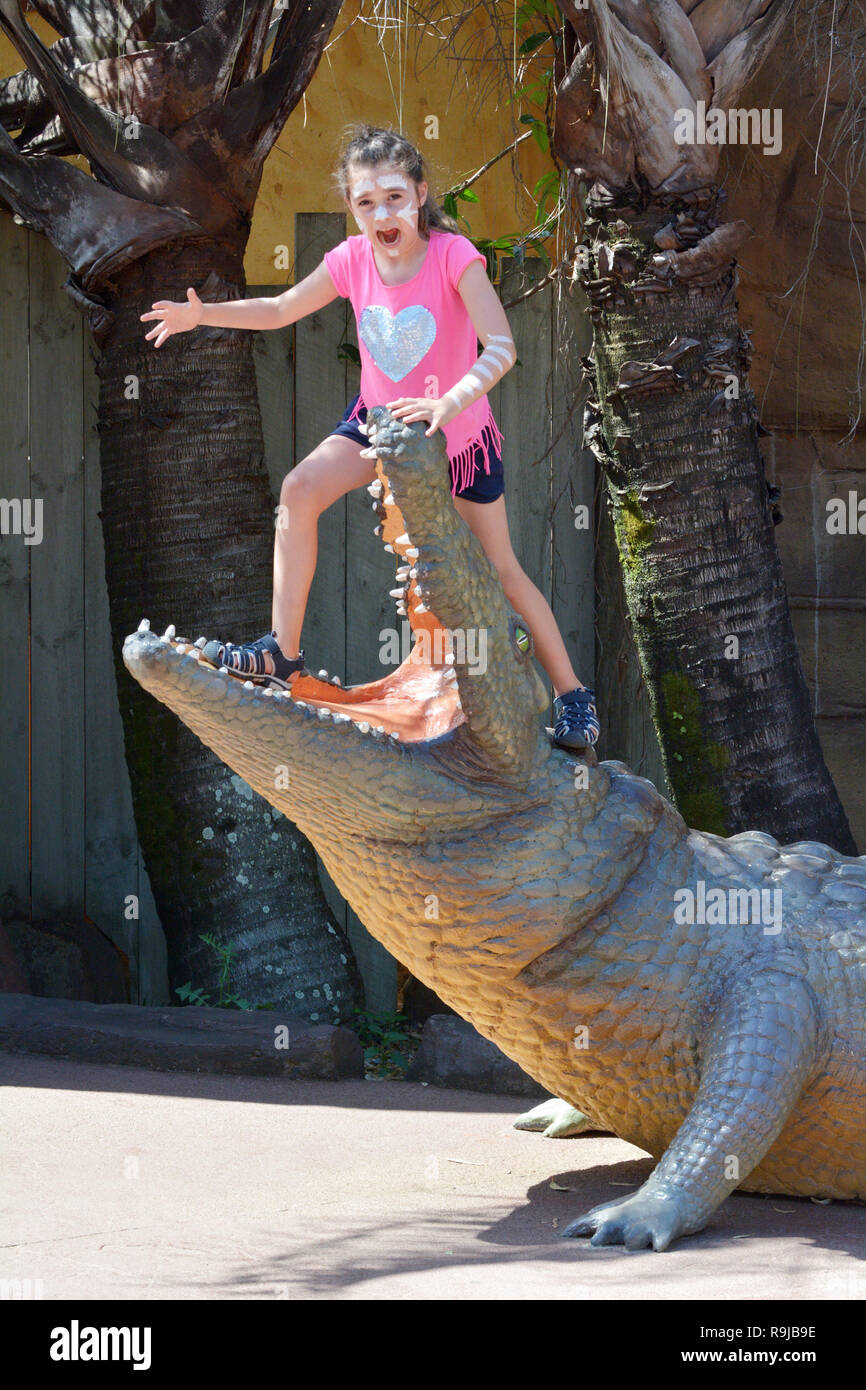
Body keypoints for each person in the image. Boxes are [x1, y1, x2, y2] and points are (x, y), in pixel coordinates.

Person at [140, 123, 599, 751]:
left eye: (393, 197)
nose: (381, 212)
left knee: (502, 568)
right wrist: (201, 314)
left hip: (459, 437)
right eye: (365, 202)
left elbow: (503, 347)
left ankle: (575, 697)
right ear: (352, 209)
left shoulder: (452, 256)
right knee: (299, 490)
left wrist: (447, 401)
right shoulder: (352, 260)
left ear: (419, 194)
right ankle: (281, 653)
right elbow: (277, 312)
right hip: (377, 421)